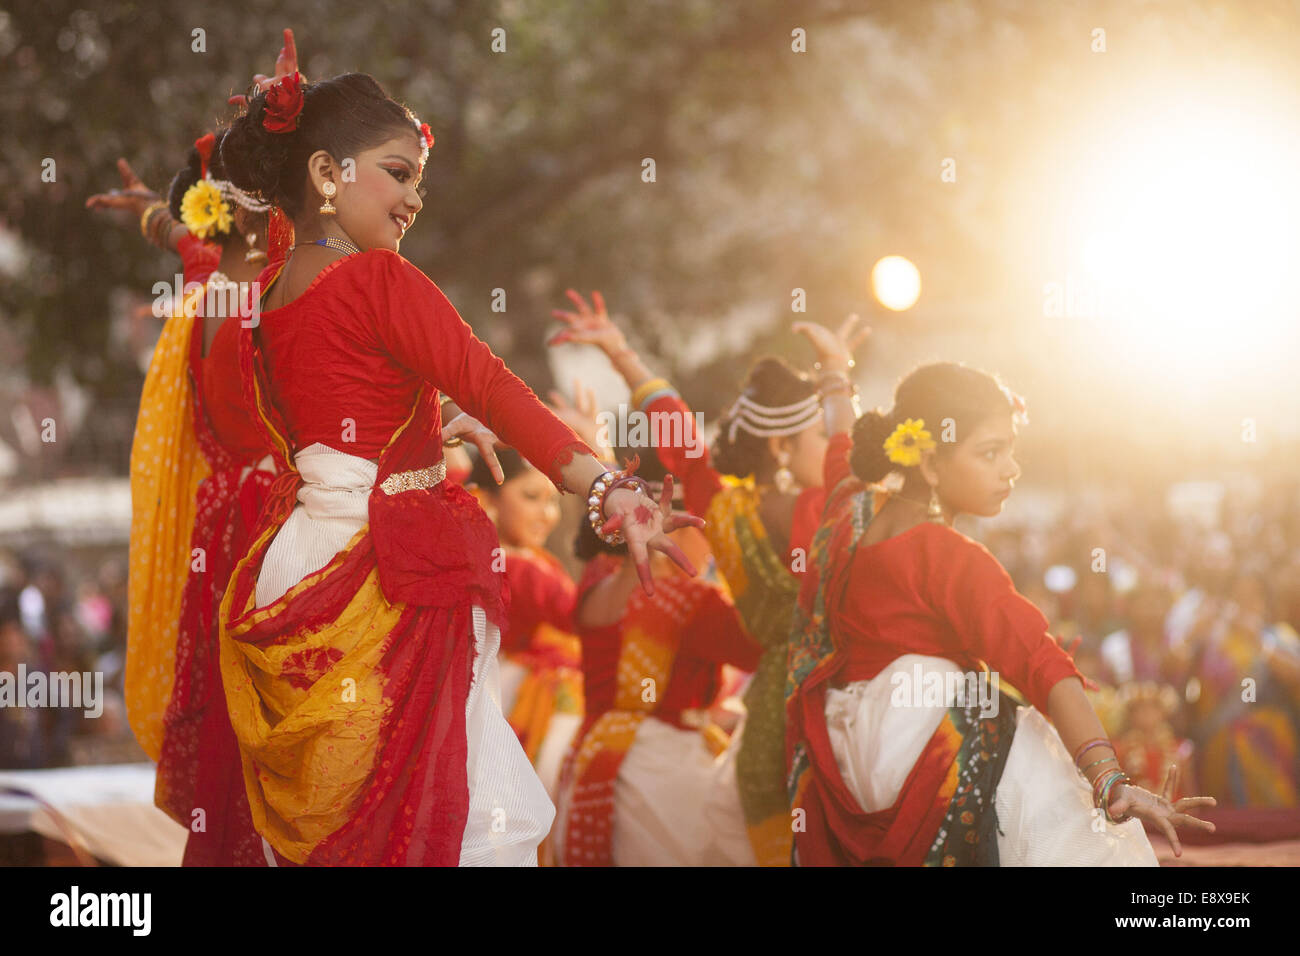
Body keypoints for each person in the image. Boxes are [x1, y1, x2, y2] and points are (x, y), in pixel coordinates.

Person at [215, 69, 696, 866]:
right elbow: (493, 383)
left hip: (301, 567)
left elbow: (333, 434)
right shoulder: (378, 278)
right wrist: (610, 488)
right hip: (390, 575)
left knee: (344, 834)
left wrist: (427, 429)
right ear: (327, 173)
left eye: (420, 184)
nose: (413, 201)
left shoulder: (266, 301)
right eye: (399, 174)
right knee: (426, 827)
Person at [786, 359, 1217, 865]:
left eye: (1010, 451)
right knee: (1009, 720)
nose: (1010, 470)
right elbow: (1041, 662)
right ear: (928, 464)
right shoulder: (950, 557)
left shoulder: (845, 514)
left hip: (848, 758)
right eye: (990, 453)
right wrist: (1109, 779)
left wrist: (837, 375)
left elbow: (841, 445)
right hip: (918, 752)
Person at [549, 292, 866, 865]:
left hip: (630, 754)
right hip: (824, 701)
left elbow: (687, 453)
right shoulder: (830, 508)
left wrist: (618, 374)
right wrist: (838, 380)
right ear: (784, 444)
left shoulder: (722, 516)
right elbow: (847, 469)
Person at [91, 31, 294, 861]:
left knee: (237, 742)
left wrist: (147, 210)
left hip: (228, 530)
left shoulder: (216, 287)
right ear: (259, 205)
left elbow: (187, 244)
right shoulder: (271, 302)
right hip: (272, 532)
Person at [554, 450, 760, 866]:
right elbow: (766, 643)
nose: (717, 545)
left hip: (590, 774)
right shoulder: (687, 603)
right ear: (680, 522)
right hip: (664, 783)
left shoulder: (595, 589)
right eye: (713, 529)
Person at [466, 448, 584, 801]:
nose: (547, 515)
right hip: (521, 700)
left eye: (552, 501)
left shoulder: (530, 558)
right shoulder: (509, 565)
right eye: (532, 497)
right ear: (486, 499)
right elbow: (581, 615)